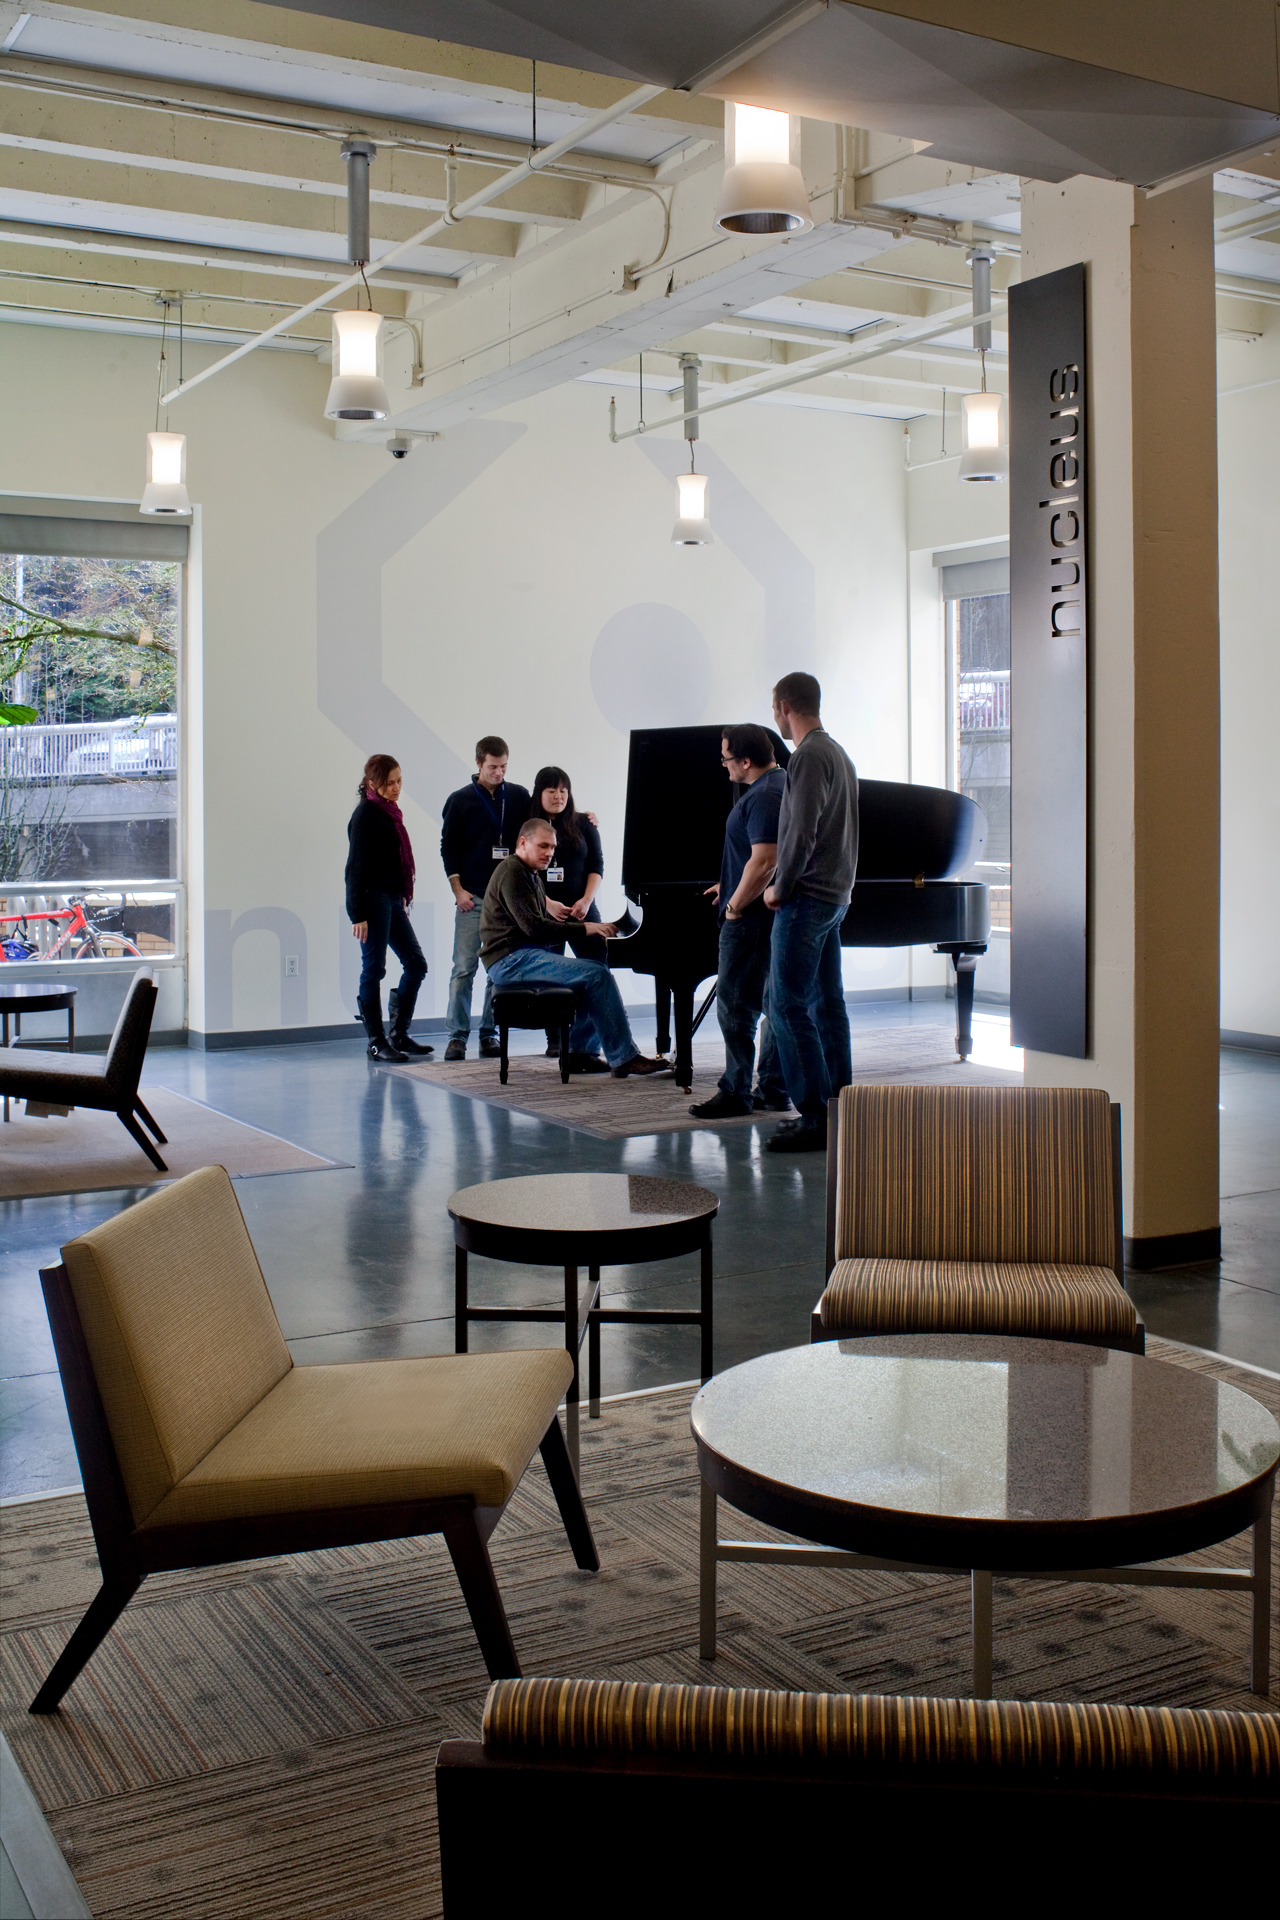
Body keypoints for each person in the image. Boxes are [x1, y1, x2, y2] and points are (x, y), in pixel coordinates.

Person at [480, 817, 670, 1077]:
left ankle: (580, 1054)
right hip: (511, 961)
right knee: (597, 974)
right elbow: (534, 929)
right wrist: (586, 927)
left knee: (592, 972)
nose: (549, 853)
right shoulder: (513, 872)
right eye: (543, 846)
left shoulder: (529, 873)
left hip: (521, 956)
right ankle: (625, 1057)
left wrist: (577, 922)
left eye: (553, 848)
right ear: (522, 843)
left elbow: (536, 926)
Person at [762, 671, 858, 1152]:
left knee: (787, 1004)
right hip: (835, 897)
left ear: (783, 706)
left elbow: (801, 830)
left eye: (773, 708)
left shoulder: (807, 756)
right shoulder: (839, 753)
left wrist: (780, 886)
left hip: (806, 899)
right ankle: (843, 1109)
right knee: (827, 1003)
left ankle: (815, 1117)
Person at [690, 724, 791, 1120]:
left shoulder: (765, 795)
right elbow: (755, 857)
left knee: (735, 1006)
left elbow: (766, 861)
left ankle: (735, 1092)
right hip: (760, 915)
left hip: (749, 921)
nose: (724, 765)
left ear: (745, 761)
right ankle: (774, 1088)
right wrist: (729, 882)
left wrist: (733, 905)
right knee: (772, 1003)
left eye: (726, 758)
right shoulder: (779, 785)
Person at [440, 736, 531, 1061]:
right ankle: (457, 1037)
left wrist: (583, 816)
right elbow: (448, 848)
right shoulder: (460, 800)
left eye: (504, 766)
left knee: (500, 969)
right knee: (464, 969)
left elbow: (543, 823)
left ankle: (489, 1033)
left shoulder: (518, 796)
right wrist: (458, 890)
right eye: (493, 767)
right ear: (479, 763)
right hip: (472, 898)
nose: (499, 772)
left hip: (507, 903)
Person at [346, 753, 432, 1064]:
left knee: (416, 963)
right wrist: (357, 914)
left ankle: (398, 1033)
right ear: (372, 784)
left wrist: (402, 893)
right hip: (372, 900)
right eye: (389, 783)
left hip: (392, 897)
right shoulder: (366, 815)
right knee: (374, 969)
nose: (396, 788)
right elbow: (355, 868)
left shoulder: (389, 812)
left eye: (398, 781)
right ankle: (376, 1042)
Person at [528, 765, 605, 1055]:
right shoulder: (528, 827)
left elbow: (597, 865)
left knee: (599, 968)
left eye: (563, 790)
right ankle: (555, 1040)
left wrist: (586, 900)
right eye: (552, 790)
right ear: (540, 793)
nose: (559, 796)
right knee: (551, 974)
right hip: (545, 911)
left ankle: (586, 1043)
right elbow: (523, 872)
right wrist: (547, 903)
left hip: (583, 909)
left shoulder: (584, 823)